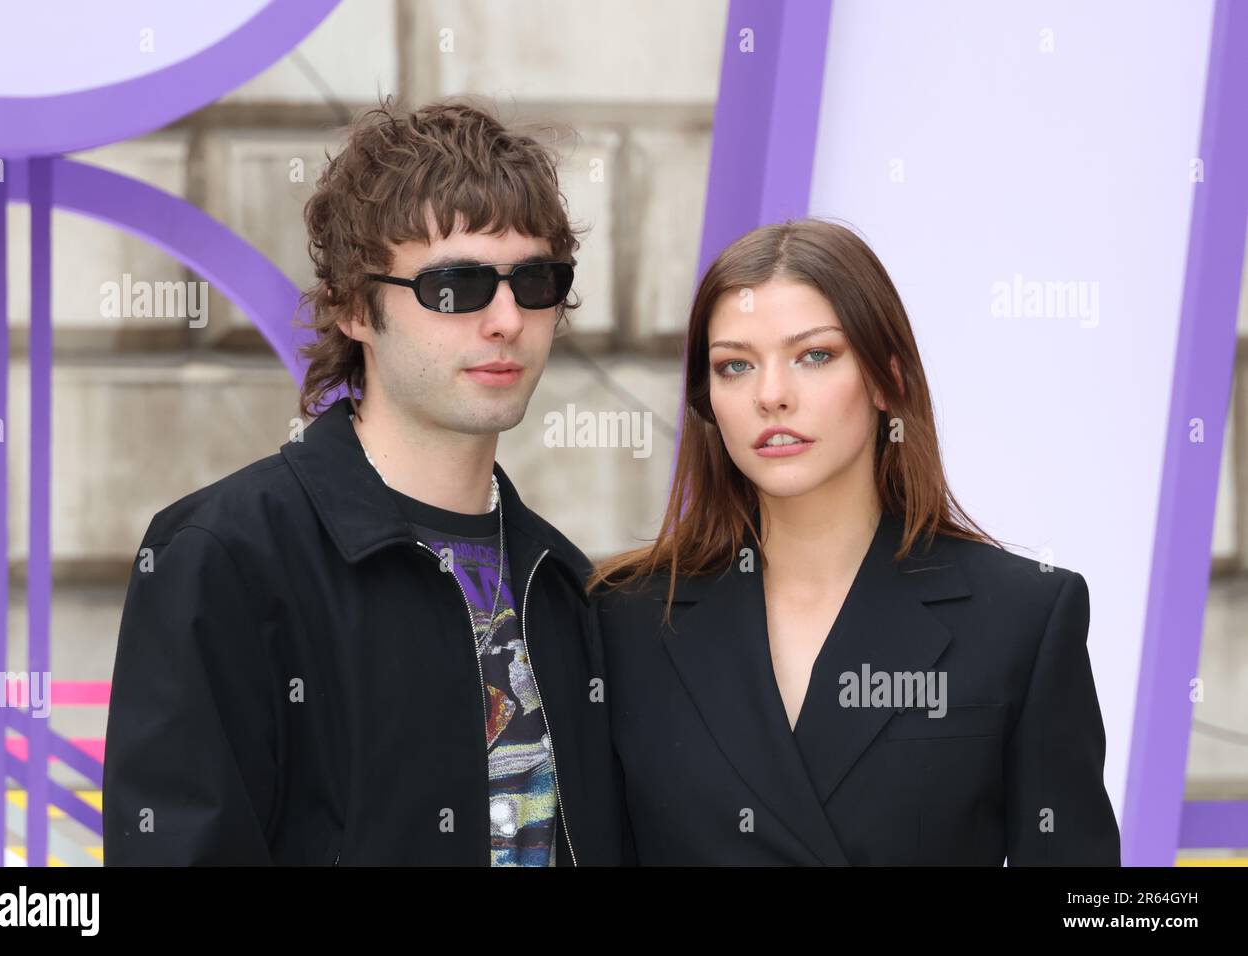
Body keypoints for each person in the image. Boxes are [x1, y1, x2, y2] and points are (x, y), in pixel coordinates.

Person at [103, 97, 622, 866]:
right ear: (351, 306)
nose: (507, 318)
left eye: (535, 280)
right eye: (456, 287)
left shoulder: (569, 588)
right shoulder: (225, 559)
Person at [588, 218, 1121, 866]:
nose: (771, 396)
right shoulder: (624, 618)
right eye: (735, 366)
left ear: (886, 378)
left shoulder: (1023, 616)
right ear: (707, 401)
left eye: (814, 355)